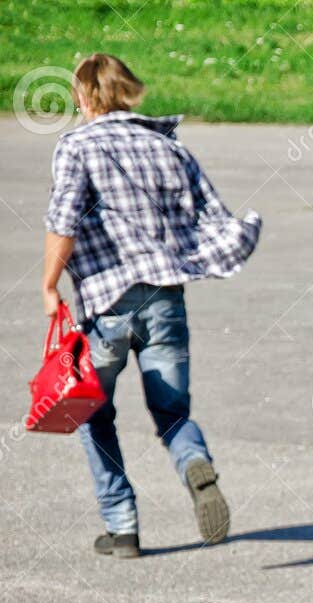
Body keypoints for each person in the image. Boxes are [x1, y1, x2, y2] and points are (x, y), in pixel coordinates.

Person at [41, 53, 261, 558]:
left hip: (107, 303)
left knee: (93, 410)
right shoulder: (167, 146)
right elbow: (209, 213)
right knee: (172, 411)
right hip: (165, 298)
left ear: (83, 96)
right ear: (129, 90)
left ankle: (122, 528)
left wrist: (49, 284)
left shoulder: (77, 145)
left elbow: (64, 218)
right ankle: (194, 467)